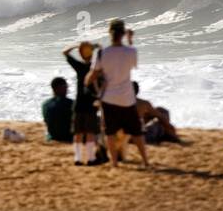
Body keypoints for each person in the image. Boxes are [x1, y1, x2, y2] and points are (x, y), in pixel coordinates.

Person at [87, 19, 149, 168]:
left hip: (109, 98)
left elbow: (92, 76)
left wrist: (89, 79)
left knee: (110, 132)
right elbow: (133, 64)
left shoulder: (102, 53)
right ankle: (145, 162)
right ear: (123, 33)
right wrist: (130, 40)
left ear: (110, 33)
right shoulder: (131, 51)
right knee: (136, 132)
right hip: (127, 98)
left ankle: (114, 163)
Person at [63, 41, 102, 165]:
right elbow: (103, 54)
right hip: (91, 103)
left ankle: (77, 159)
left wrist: (76, 45)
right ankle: (91, 159)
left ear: (81, 54)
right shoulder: (96, 69)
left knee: (78, 133)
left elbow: (65, 52)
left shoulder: (79, 67)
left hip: (79, 103)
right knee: (90, 132)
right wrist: (96, 47)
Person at [41, 76, 74, 144]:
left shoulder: (45, 104)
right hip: (69, 137)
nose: (67, 90)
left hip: (52, 136)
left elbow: (46, 120)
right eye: (65, 87)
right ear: (59, 88)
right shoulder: (72, 103)